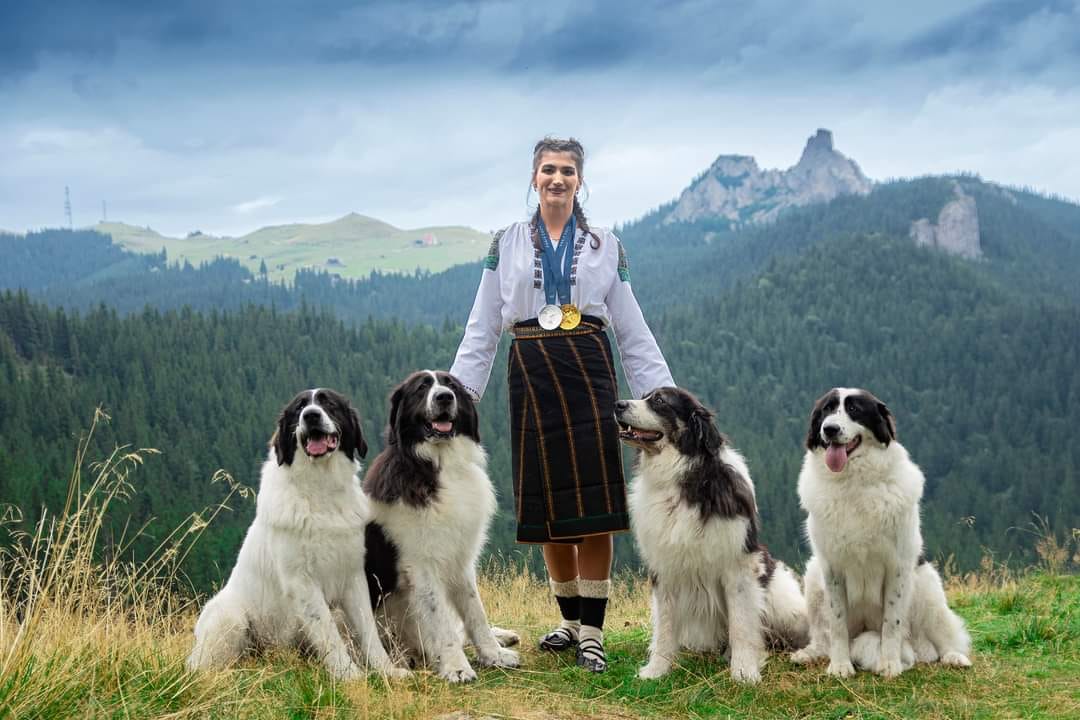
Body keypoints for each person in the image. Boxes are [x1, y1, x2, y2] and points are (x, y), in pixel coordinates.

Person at [450, 137, 674, 673]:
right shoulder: (504, 244)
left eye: (567, 171)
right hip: (530, 371)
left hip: (589, 370)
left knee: (594, 502)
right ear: (534, 179)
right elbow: (482, 326)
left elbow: (631, 329)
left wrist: (663, 399)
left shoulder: (605, 244)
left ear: (579, 180)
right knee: (549, 505)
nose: (557, 179)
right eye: (548, 170)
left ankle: (593, 631)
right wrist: (459, 397)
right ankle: (568, 620)